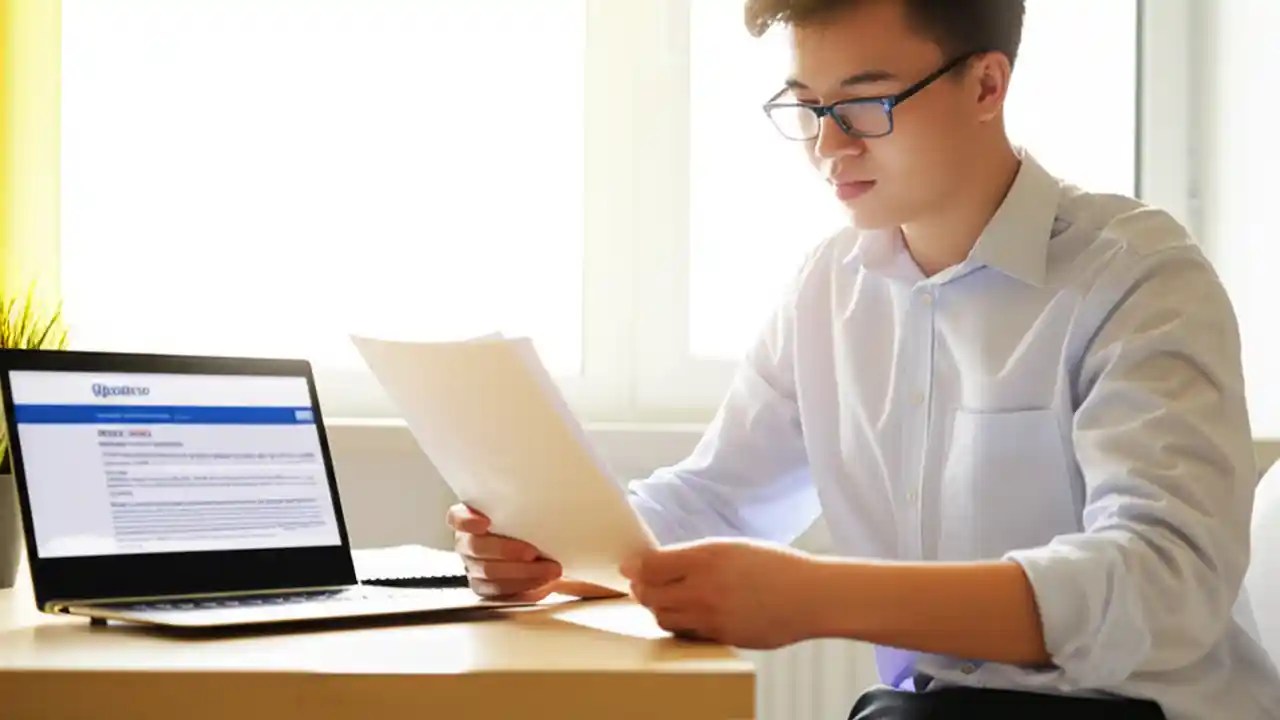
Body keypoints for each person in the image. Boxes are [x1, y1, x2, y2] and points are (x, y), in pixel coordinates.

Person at [447, 0, 1280, 717]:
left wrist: (817, 597)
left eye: (866, 103)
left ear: (987, 85)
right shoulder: (830, 287)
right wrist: (553, 551)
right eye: (806, 106)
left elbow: (1164, 586)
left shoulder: (1133, 274)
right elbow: (720, 500)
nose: (828, 145)